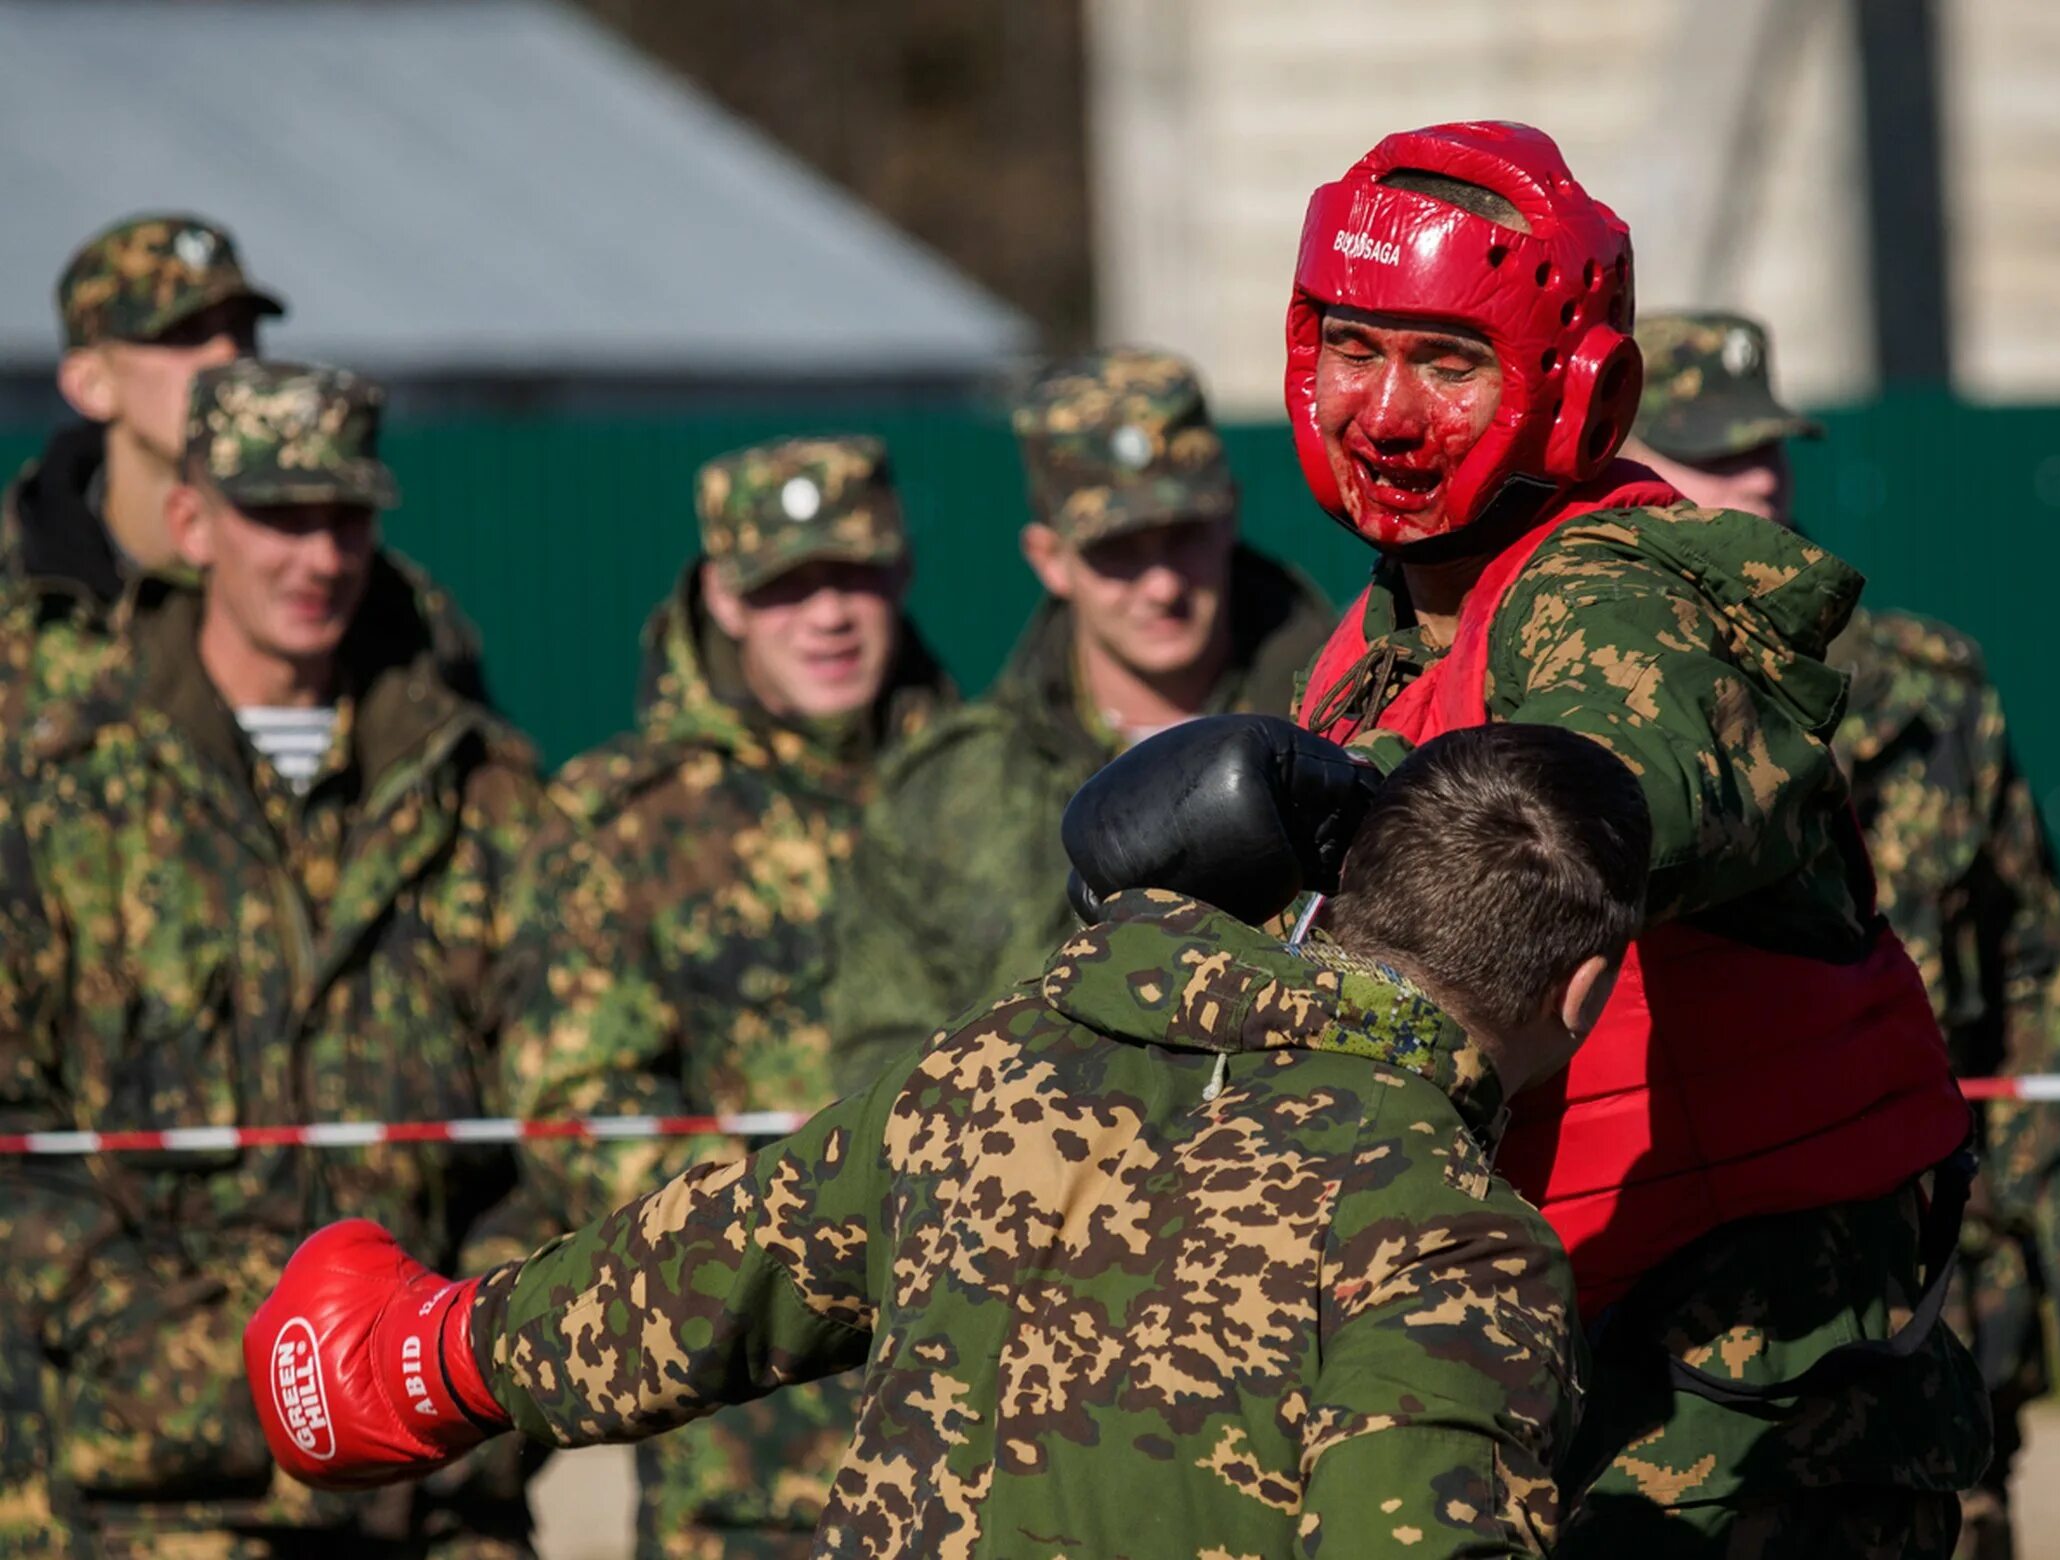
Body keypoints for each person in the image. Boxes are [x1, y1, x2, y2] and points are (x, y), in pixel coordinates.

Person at [1067, 122, 1989, 1554]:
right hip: (1596, 1359)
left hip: (1749, 1403)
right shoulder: (1375, 638)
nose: (1384, 412)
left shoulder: (1606, 585)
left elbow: (1638, 793)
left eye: (1446, 362)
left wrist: (1352, 792)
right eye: (1355, 351)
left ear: (1570, 388)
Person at [248, 717, 1656, 1559]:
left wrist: (417, 1362)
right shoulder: (1450, 1236)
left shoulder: (1005, 1065)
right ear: (1580, 992)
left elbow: (691, 1281)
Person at [0, 361, 544, 1557]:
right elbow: (12, 1128)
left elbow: (573, 1113)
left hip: (438, 1477)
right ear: (191, 520)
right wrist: (176, 1353)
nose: (317, 558)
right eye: (277, 516)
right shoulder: (61, 793)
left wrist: (461, 1344)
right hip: (158, 1494)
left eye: (344, 517)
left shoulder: (481, 792)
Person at [1627, 310, 2060, 1560]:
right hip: (1682, 1346)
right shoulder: (1596, 711)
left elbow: (2038, 963)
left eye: (1771, 448)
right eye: (1713, 454)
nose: (1759, 479)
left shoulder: (1930, 688)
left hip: (1926, 1310)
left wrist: (2037, 1233)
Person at [498, 435, 955, 1558]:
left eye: (850, 577)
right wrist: (794, 1231)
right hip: (749, 1446)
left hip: (975, 1417)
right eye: (786, 588)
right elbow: (576, 1100)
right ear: (723, 598)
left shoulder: (982, 789)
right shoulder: (624, 818)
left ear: (898, 576)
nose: (828, 617)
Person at [826, 347, 1332, 1092]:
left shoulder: (1340, 730)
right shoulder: (947, 795)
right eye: (1117, 550)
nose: (1161, 584)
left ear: (1228, 511)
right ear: (1049, 558)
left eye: (1183, 532)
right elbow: (885, 1071)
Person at [0, 213, 484, 736]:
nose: (227, 356)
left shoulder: (380, 605)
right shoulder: (22, 591)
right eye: (183, 334)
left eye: (241, 331)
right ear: (89, 382)